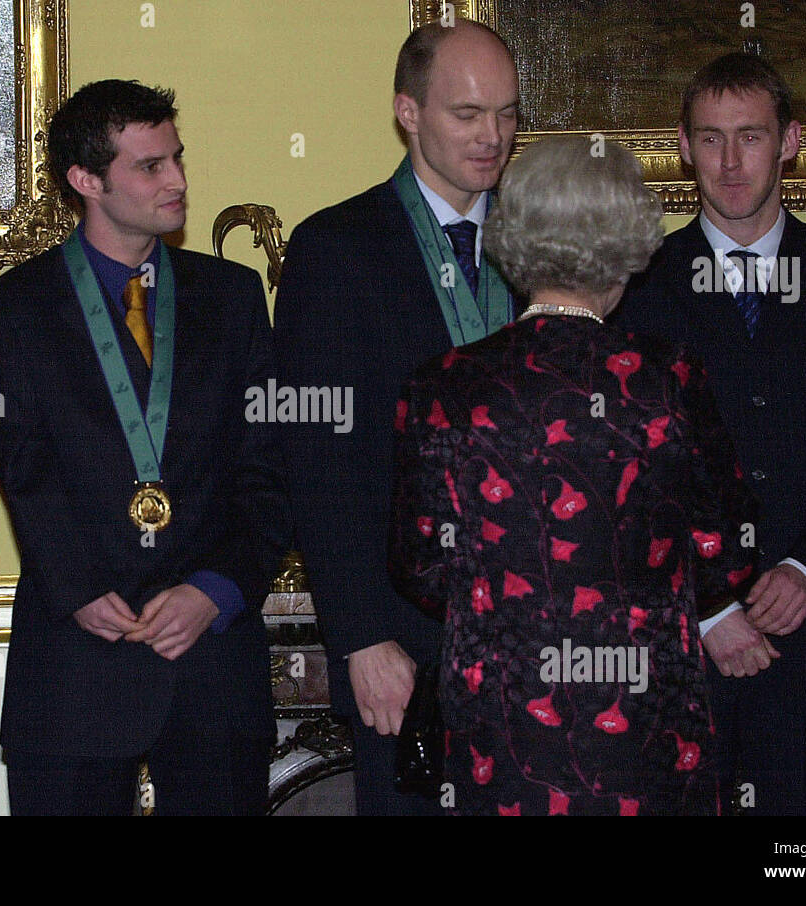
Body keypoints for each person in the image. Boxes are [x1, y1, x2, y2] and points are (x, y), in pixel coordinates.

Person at [389, 135, 758, 815]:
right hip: (644, 718)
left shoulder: (445, 385)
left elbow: (420, 565)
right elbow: (726, 551)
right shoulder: (670, 377)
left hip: (502, 722)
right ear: (628, 246)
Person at [0, 79, 289, 815]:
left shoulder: (232, 297)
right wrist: (79, 588)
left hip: (213, 659)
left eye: (177, 157)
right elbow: (21, 467)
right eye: (150, 166)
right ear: (86, 180)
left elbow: (270, 466)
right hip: (76, 661)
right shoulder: (14, 308)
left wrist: (217, 590)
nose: (177, 179)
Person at [615, 53, 806, 815]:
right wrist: (710, 604)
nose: (730, 164)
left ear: (791, 140)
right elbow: (622, 473)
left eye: (751, 137)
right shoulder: (635, 288)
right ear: (682, 145)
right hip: (676, 654)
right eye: (710, 139)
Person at [274, 18, 521, 815]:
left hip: (539, 636)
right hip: (402, 641)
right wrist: (358, 634)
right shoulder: (335, 248)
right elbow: (318, 464)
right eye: (468, 114)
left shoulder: (543, 242)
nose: (492, 137)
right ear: (407, 112)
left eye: (509, 115)